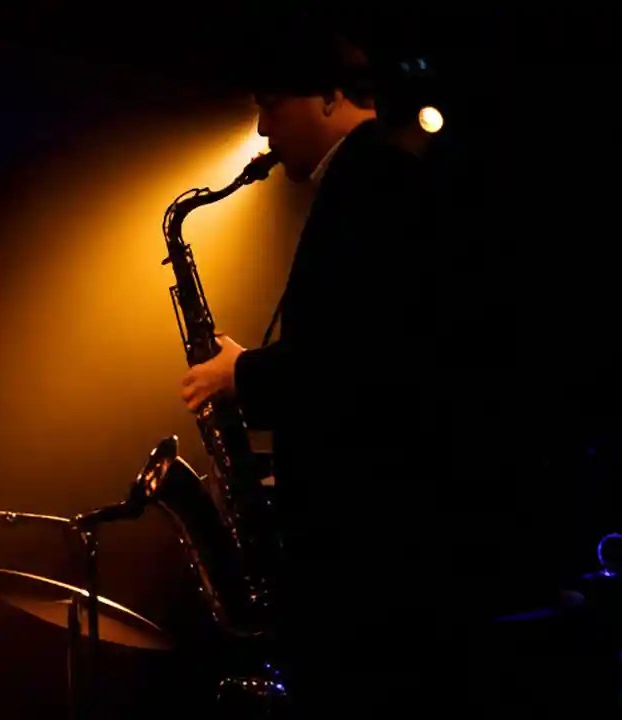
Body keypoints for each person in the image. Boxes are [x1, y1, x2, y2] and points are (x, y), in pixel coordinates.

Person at [177, 25, 504, 717]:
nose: (263, 130)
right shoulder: (379, 176)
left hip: (372, 558)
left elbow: (368, 360)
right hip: (387, 547)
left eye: (272, 104)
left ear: (328, 98)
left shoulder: (373, 181)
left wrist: (248, 374)